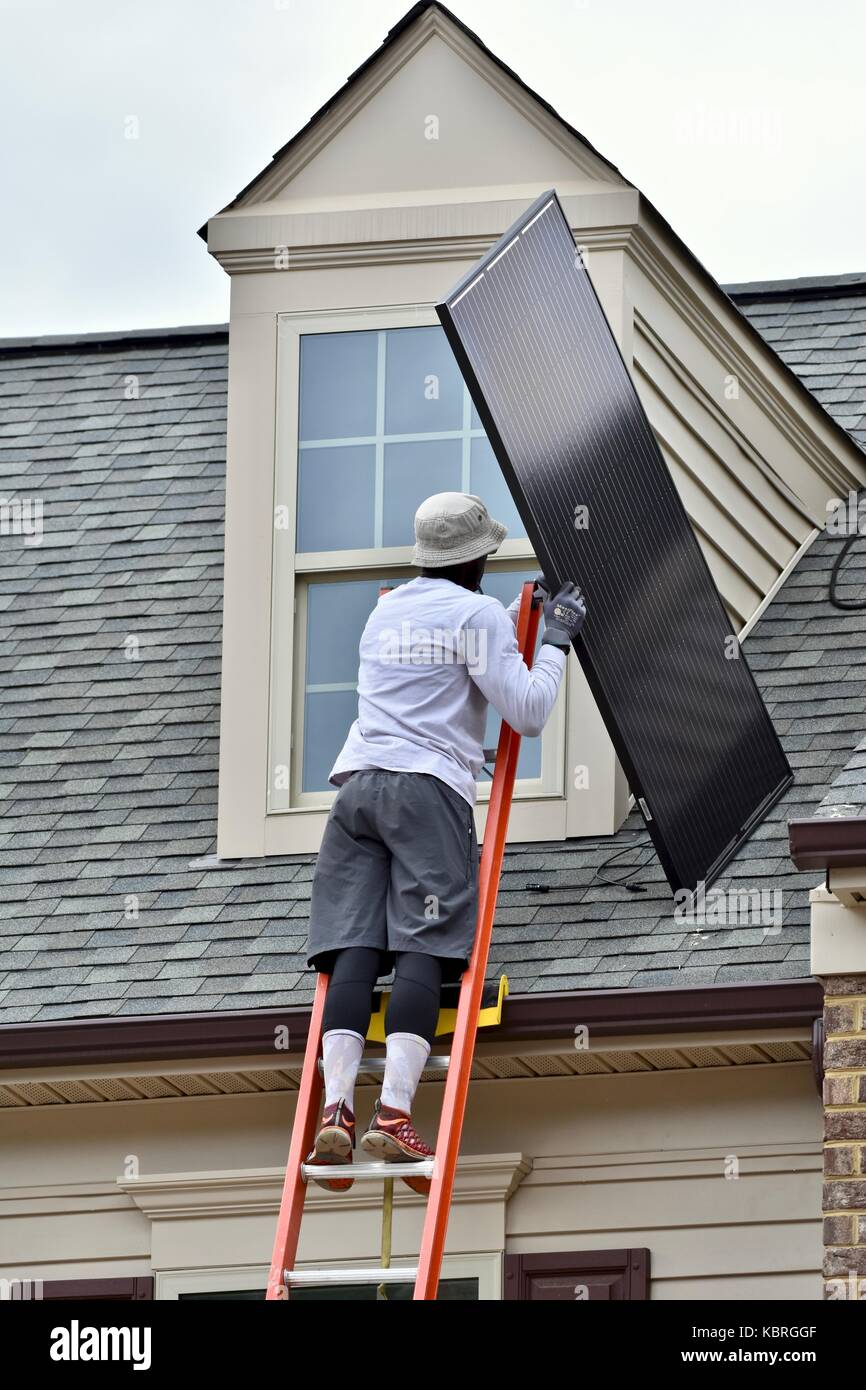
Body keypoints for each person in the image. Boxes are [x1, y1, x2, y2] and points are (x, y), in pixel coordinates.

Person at [303, 491, 586, 1189]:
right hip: (425, 796)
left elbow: (416, 701)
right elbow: (527, 711)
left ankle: (335, 1111)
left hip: (357, 791)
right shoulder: (478, 612)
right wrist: (553, 642)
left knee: (355, 950)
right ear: (477, 559)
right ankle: (392, 1115)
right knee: (426, 945)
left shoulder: (386, 608)